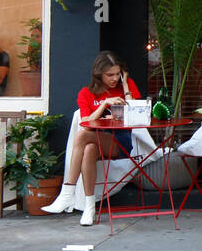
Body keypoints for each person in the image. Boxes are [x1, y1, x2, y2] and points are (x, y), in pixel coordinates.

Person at [42, 50, 140, 226]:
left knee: (82, 136)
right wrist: (104, 104)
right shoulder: (86, 93)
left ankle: (67, 192)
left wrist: (126, 86)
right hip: (95, 140)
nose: (114, 78)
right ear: (98, 74)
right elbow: (86, 122)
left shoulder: (126, 85)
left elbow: (137, 113)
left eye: (118, 74)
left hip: (120, 142)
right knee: (88, 149)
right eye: (110, 75)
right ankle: (89, 208)